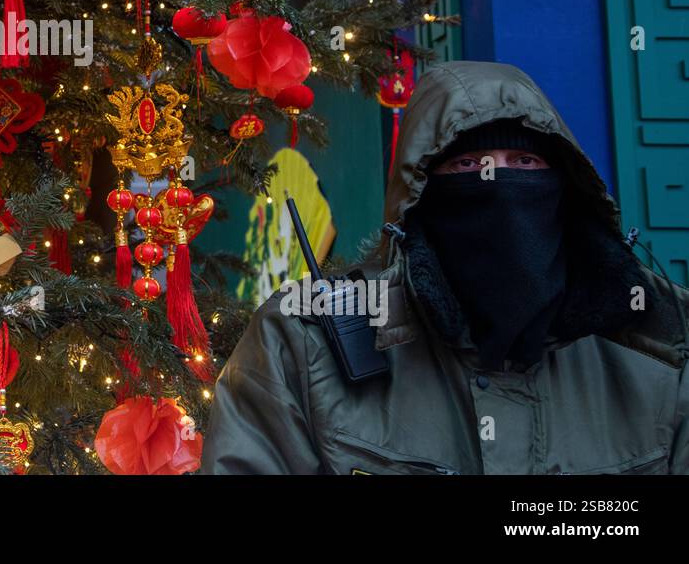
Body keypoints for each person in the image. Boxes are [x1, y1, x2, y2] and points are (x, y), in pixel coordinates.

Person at [202, 61, 689, 474]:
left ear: (565, 184)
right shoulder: (304, 341)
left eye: (522, 161)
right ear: (419, 193)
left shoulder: (661, 343)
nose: (497, 183)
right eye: (469, 165)